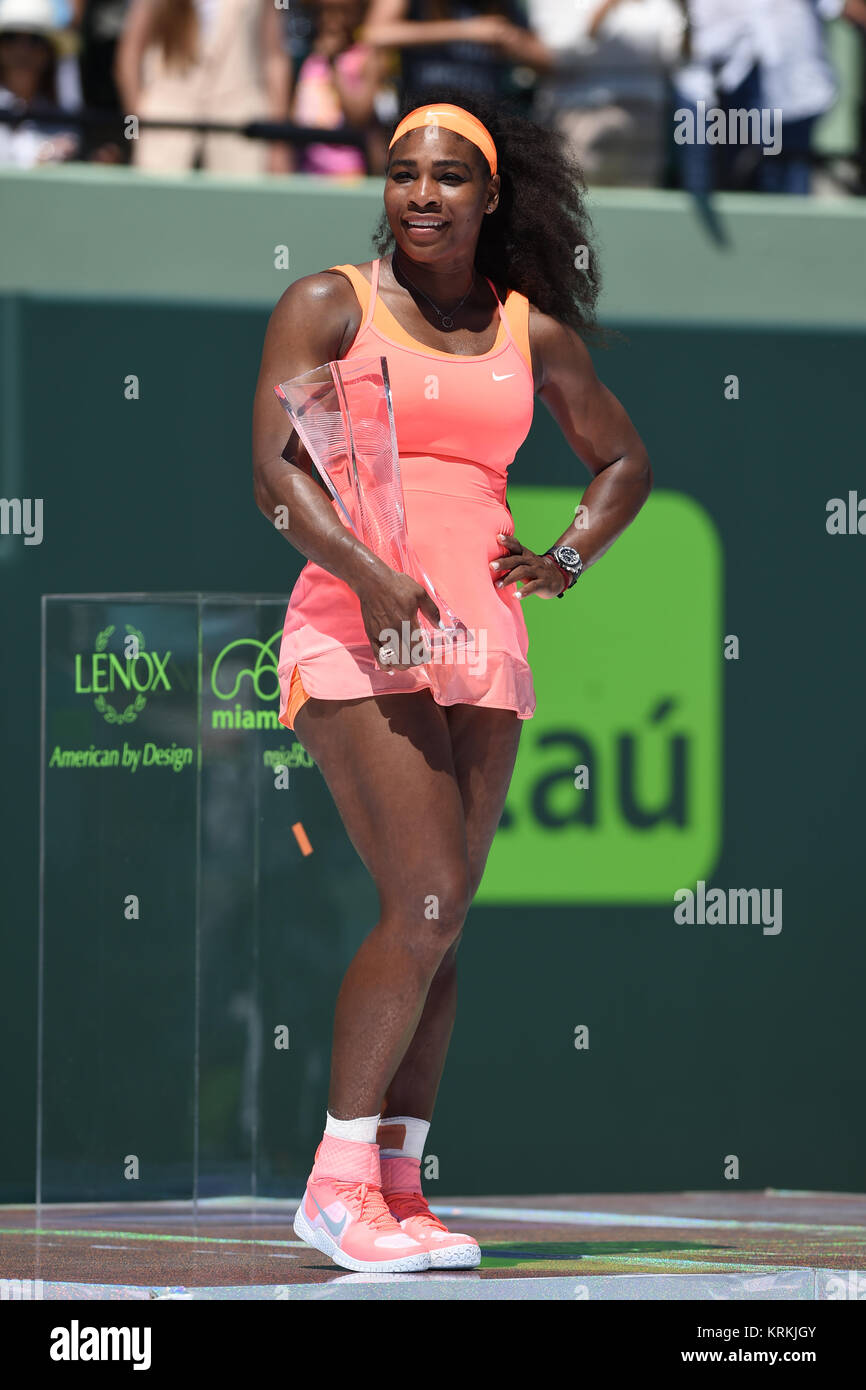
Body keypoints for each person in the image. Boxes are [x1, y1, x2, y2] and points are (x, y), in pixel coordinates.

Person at [252, 88, 652, 1272]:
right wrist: (371, 576)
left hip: (481, 640)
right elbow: (275, 476)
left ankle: (396, 1183)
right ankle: (333, 1187)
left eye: (445, 175)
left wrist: (565, 556)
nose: (419, 193)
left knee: (441, 922)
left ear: (489, 196)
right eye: (401, 172)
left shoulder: (532, 334)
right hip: (353, 625)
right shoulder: (327, 302)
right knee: (425, 895)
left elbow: (622, 460)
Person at [113, 0, 291, 176]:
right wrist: (138, 125)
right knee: (159, 191)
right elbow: (130, 54)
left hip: (240, 117)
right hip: (166, 118)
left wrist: (278, 142)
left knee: (240, 193)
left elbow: (274, 57)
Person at [527, 0, 686, 187]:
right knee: (579, 198)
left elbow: (675, 55)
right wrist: (604, 10)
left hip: (647, 119)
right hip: (581, 116)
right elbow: (556, 53)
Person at [360, 0, 552, 108]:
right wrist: (466, 30)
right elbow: (374, 34)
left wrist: (510, 39)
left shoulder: (503, 5)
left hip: (485, 120)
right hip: (425, 115)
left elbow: (547, 62)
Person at [291, 0, 378, 177]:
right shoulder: (312, 58)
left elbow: (359, 117)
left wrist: (333, 64)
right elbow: (296, 114)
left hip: (347, 171)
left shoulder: (365, 57)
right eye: (324, 11)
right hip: (307, 169)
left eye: (343, 12)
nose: (332, 21)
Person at [0, 0, 79, 166]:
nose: (22, 50)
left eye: (35, 40)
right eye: (10, 38)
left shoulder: (66, 122)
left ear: (49, 52)